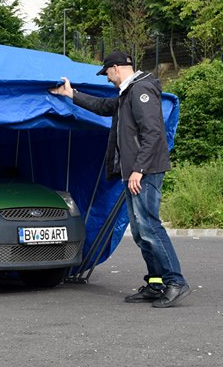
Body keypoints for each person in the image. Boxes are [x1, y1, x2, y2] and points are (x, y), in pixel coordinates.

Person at [49, 50, 190, 308]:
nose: (107, 79)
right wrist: (72, 94)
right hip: (133, 172)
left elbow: (153, 133)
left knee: (149, 226)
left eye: (107, 73)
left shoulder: (141, 90)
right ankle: (156, 283)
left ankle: (176, 282)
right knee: (139, 231)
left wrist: (139, 169)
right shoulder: (126, 94)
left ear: (116, 68)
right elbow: (103, 107)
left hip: (143, 172)